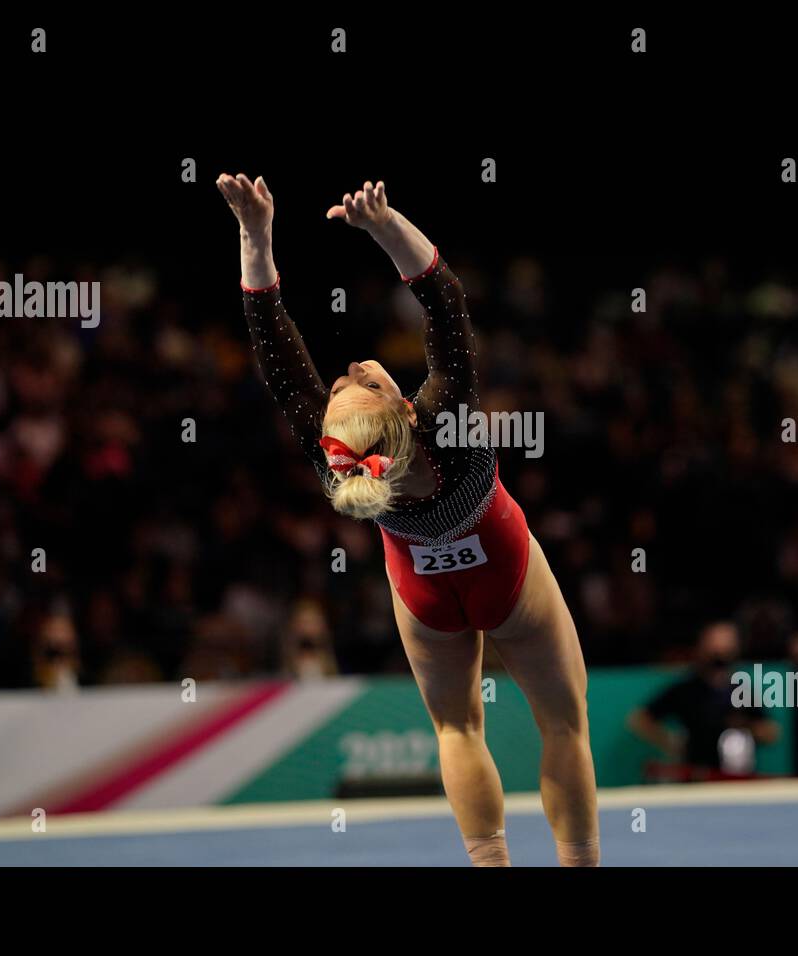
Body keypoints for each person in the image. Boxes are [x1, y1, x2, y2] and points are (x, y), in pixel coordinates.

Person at [216, 174, 598, 866]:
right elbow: (443, 299)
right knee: (565, 724)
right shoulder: (442, 417)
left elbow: (275, 353)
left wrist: (256, 236)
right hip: (501, 559)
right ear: (397, 408)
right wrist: (385, 225)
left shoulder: (332, 455)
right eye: (357, 380)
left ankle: (489, 861)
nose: (351, 367)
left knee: (456, 726)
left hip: (421, 591)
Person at [627, 621, 779, 776]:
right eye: (714, 647)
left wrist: (744, 726)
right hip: (699, 778)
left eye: (726, 647)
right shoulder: (686, 690)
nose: (720, 653)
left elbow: (771, 732)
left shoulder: (742, 691)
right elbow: (639, 719)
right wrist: (671, 742)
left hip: (737, 778)